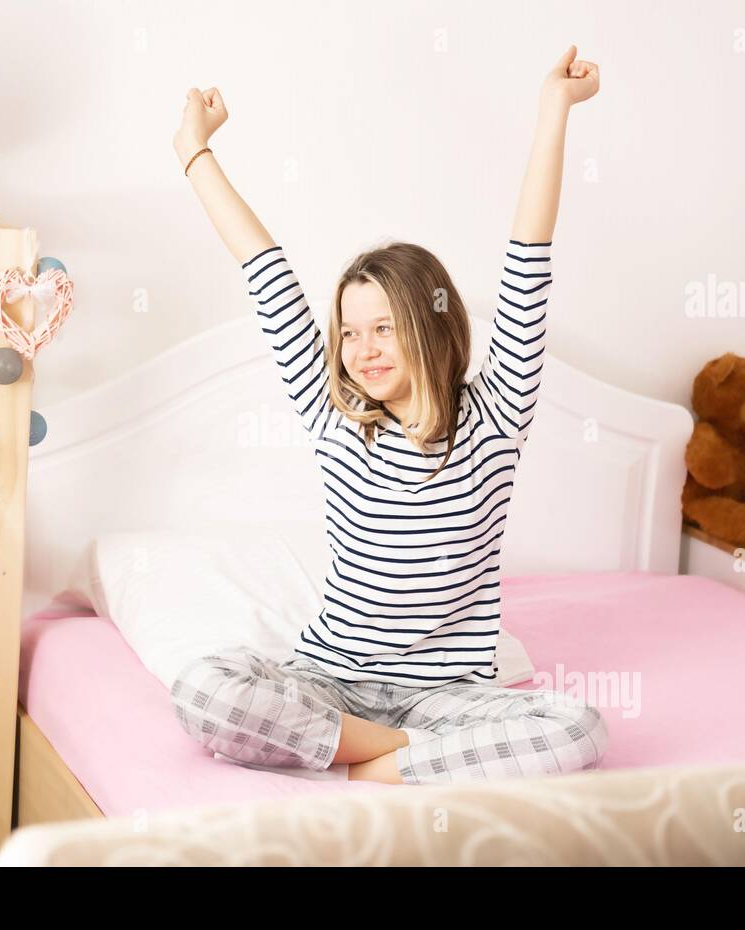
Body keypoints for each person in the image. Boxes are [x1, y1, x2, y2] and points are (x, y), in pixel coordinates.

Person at [170, 46, 606, 785]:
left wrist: (553, 112)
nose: (362, 350)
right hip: (329, 681)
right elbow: (264, 269)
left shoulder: (496, 417)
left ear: (430, 326)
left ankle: (373, 759)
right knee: (201, 690)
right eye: (348, 330)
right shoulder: (334, 413)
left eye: (383, 328)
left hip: (448, 699)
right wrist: (195, 152)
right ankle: (384, 754)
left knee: (579, 731)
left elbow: (529, 255)